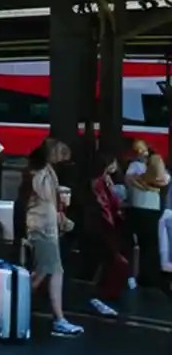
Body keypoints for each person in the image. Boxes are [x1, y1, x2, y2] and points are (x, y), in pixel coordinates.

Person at [25, 141, 84, 336]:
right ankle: (58, 319)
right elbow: (44, 198)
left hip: (43, 227)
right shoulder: (41, 173)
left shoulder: (44, 171)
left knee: (44, 271)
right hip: (42, 228)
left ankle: (17, 304)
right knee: (51, 270)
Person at [82, 152, 126, 317]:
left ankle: (100, 294)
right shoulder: (99, 183)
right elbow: (105, 205)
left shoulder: (103, 182)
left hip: (105, 225)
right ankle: (99, 296)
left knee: (108, 260)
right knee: (109, 259)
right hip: (103, 226)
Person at [126, 152, 169, 287]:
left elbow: (129, 181)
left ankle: (134, 276)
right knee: (151, 247)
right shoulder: (165, 179)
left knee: (137, 246)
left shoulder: (134, 174)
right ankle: (150, 277)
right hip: (153, 213)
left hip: (136, 211)